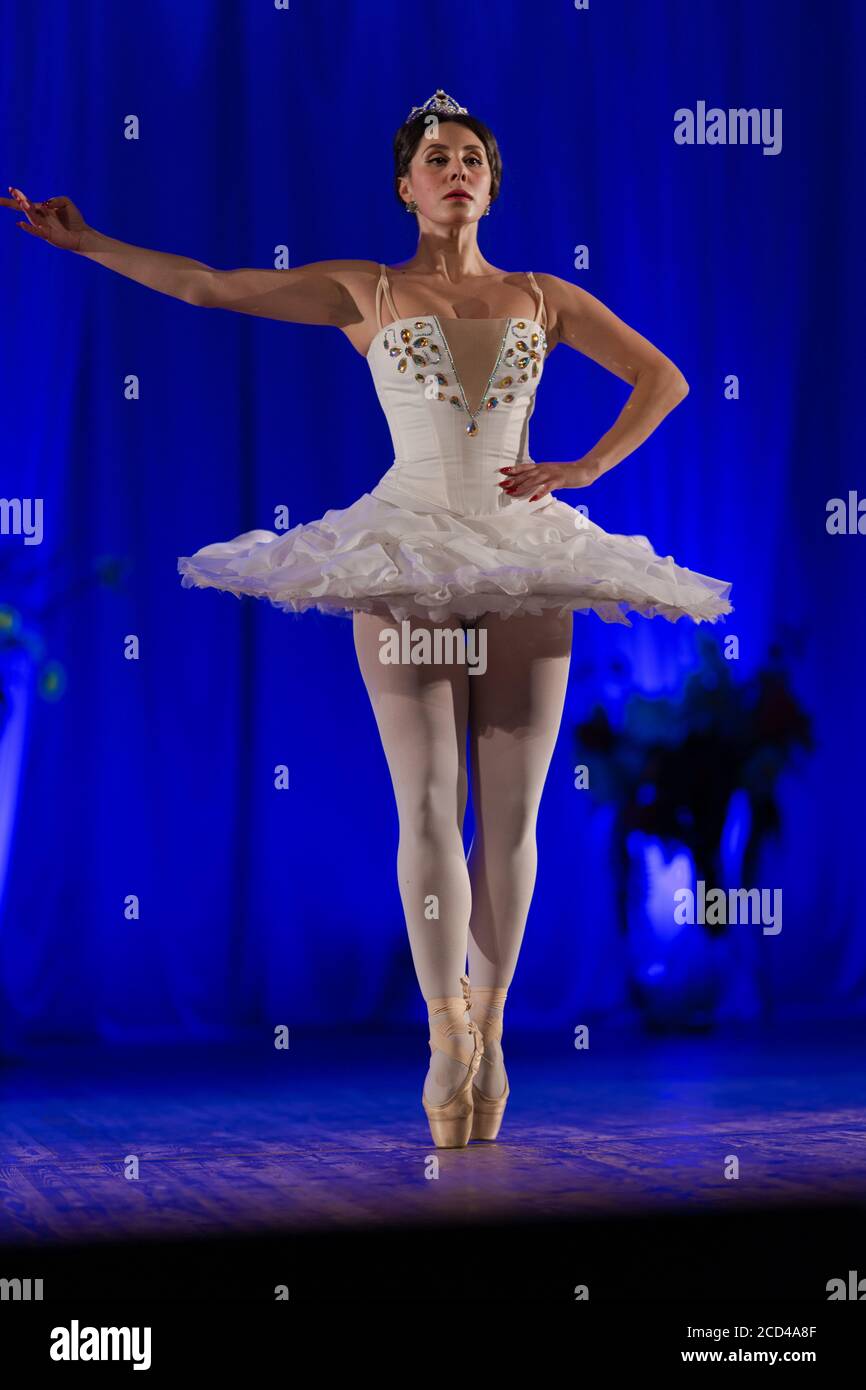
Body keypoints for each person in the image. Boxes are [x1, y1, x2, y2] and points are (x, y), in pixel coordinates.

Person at [3, 88, 732, 1149]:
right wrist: (86, 242)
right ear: (405, 184)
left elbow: (661, 379)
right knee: (428, 802)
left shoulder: (541, 294)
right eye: (437, 156)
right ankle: (443, 1033)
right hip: (403, 552)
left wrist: (579, 467)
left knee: (512, 818)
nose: (455, 168)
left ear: (490, 184)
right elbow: (211, 287)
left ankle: (489, 1026)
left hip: (525, 551)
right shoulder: (366, 288)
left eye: (471, 156)